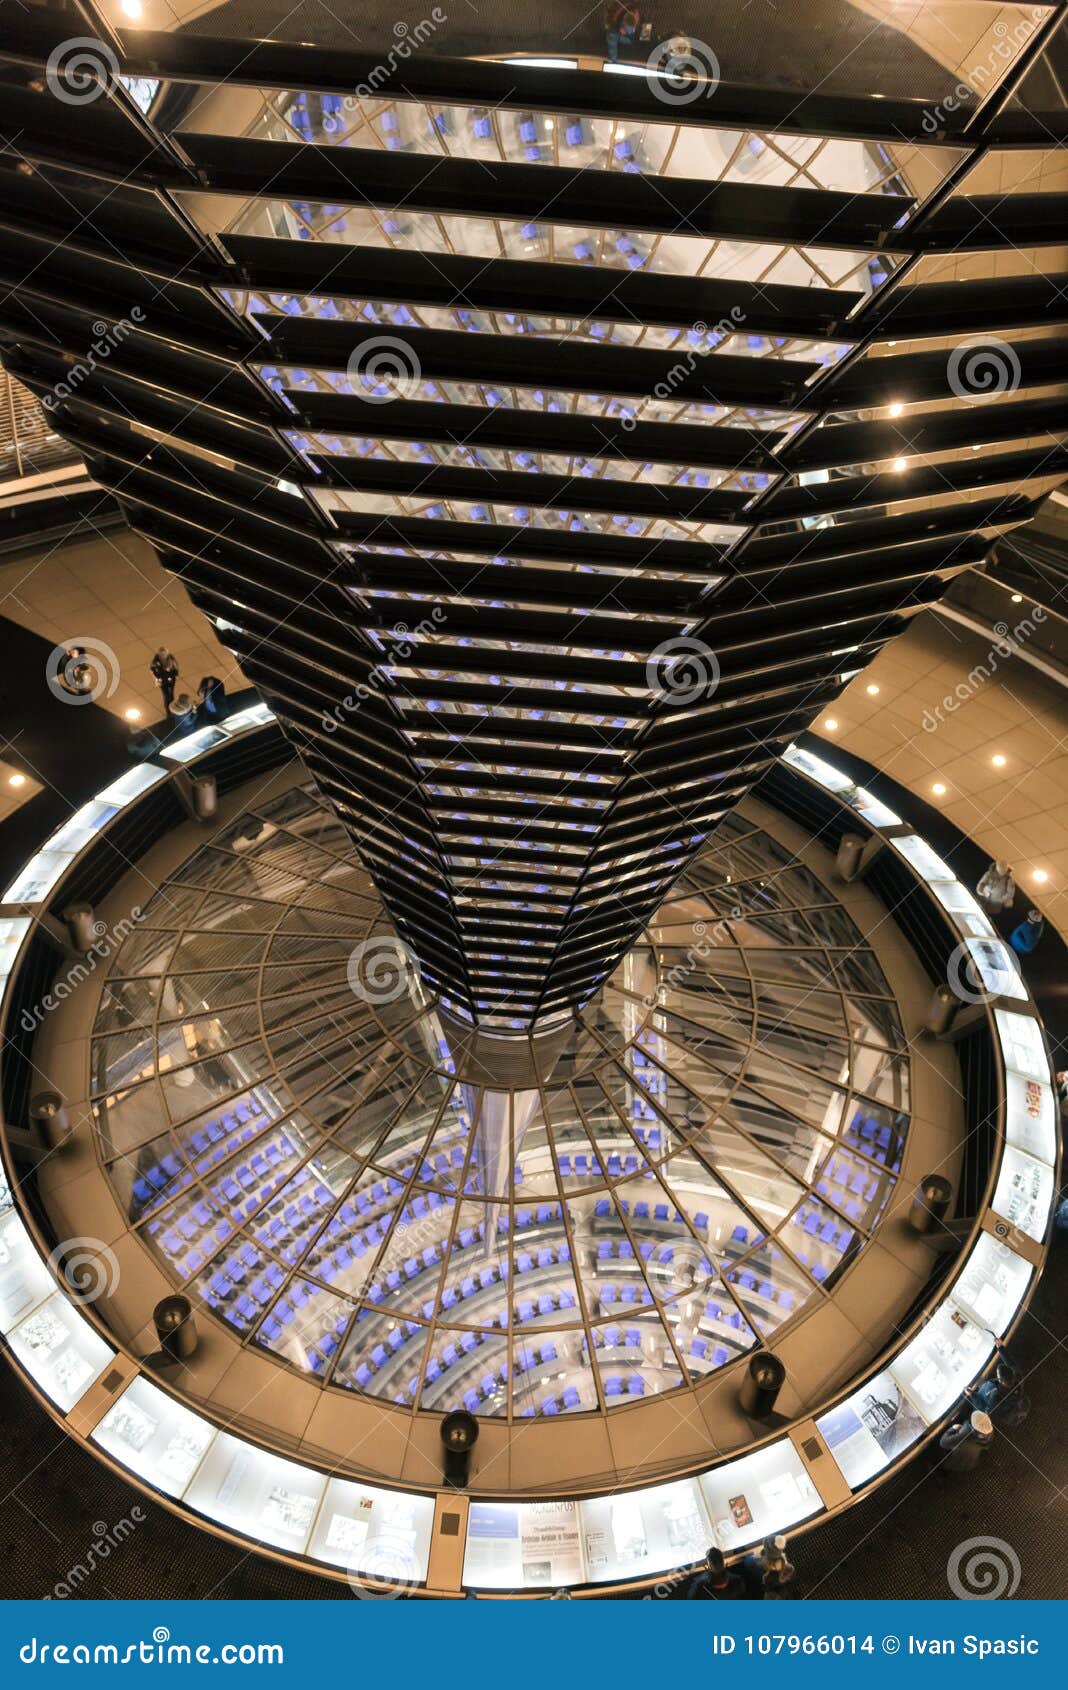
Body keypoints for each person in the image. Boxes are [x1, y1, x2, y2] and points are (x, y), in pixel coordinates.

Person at [150, 647, 179, 712]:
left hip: (170, 676)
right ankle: (168, 708)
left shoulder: (170, 657)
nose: (163, 655)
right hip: (162, 678)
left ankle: (172, 705)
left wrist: (176, 674)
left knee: (171, 692)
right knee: (165, 693)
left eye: (164, 653)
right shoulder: (156, 660)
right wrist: (157, 678)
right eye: (162, 654)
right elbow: (152, 670)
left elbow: (176, 665)